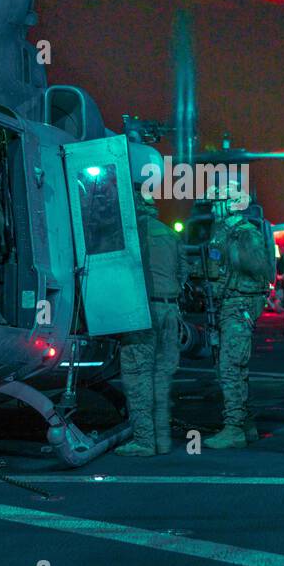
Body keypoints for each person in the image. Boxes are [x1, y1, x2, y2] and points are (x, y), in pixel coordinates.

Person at [116, 188, 187, 457]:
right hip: (170, 310)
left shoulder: (131, 234)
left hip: (143, 311)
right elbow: (183, 272)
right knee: (161, 378)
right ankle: (162, 440)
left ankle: (144, 441)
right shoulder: (169, 233)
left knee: (138, 375)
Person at [203, 190, 271, 449]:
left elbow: (258, 269)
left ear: (231, 205)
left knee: (230, 367)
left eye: (216, 204)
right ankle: (245, 424)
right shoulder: (224, 232)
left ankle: (233, 428)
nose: (213, 209)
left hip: (239, 304)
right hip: (228, 303)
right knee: (232, 367)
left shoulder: (246, 234)